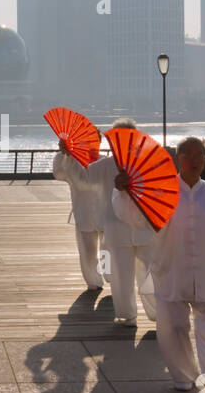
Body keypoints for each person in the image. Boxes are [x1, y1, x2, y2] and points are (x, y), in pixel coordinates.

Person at [112, 137, 205, 393]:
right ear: (178, 159)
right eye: (190, 155)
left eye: (201, 155)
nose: (197, 161)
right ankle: (183, 376)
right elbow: (133, 216)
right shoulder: (161, 193)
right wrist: (123, 191)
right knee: (172, 330)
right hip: (170, 272)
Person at [52, 118, 158, 326]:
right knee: (121, 275)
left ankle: (158, 313)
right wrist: (67, 154)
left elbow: (161, 193)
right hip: (114, 228)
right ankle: (128, 315)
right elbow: (81, 180)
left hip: (144, 229)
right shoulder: (104, 166)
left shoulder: (149, 164)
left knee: (149, 273)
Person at [51, 145, 104, 291]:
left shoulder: (104, 161)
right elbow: (58, 174)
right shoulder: (70, 162)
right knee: (88, 251)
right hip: (83, 213)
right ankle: (94, 281)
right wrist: (66, 154)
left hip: (105, 214)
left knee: (107, 248)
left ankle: (108, 274)